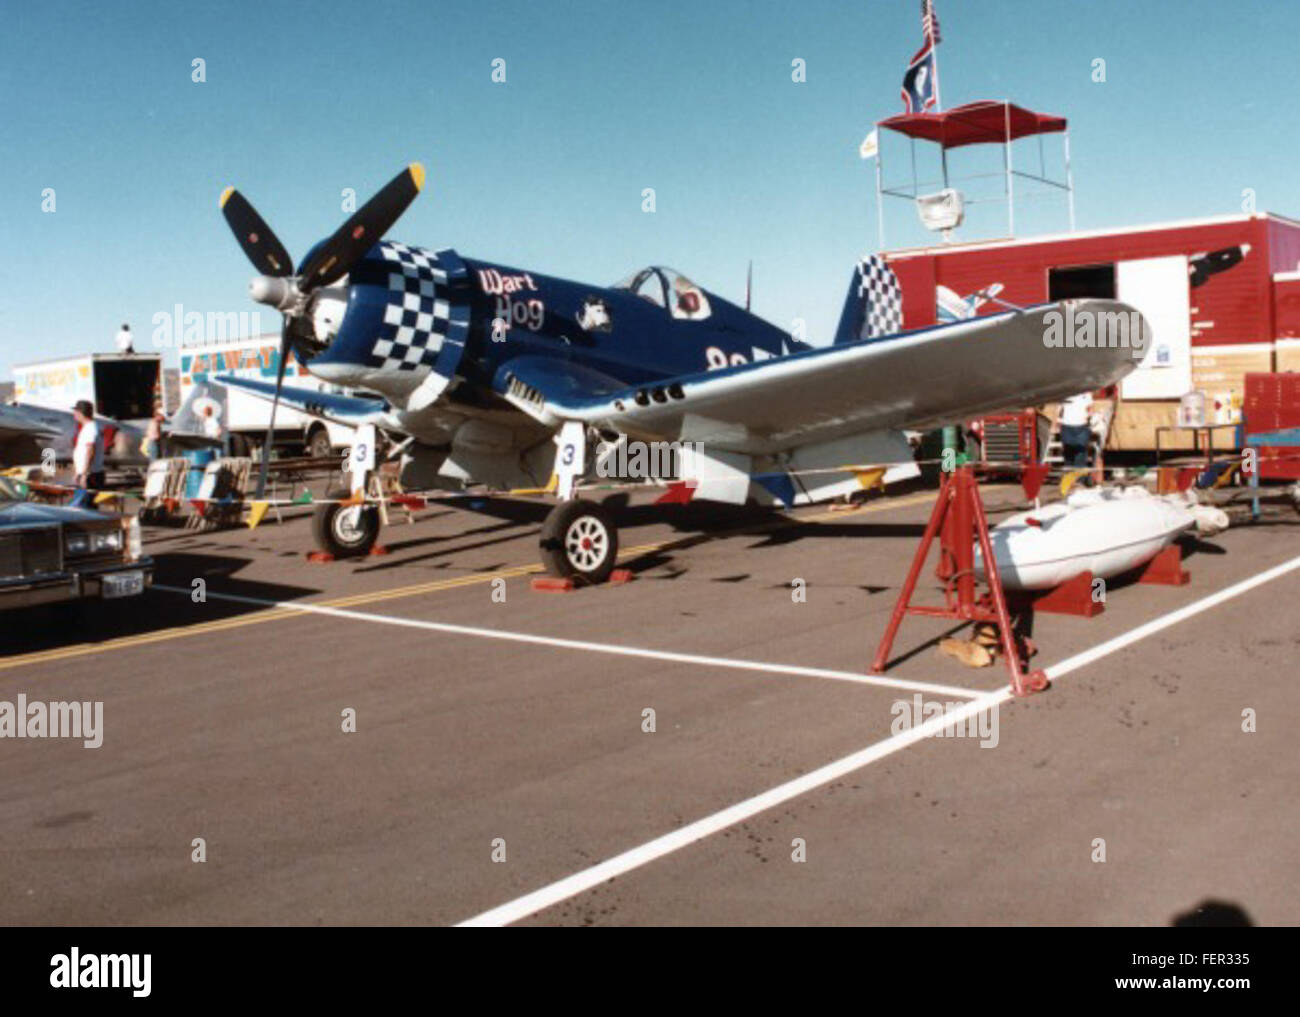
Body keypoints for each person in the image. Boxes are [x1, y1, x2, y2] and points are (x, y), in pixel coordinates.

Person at [70, 400, 105, 509]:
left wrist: (85, 474)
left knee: (80, 508)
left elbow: (90, 450)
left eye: (75, 411)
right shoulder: (88, 428)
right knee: (86, 507)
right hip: (88, 474)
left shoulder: (91, 428)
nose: (74, 414)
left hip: (91, 475)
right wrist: (77, 472)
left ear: (80, 412)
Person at [1058, 391, 1094, 470]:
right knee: (1069, 454)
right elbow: (1059, 409)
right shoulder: (1065, 392)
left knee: (1080, 453)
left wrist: (1090, 418)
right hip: (1067, 425)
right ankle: (1070, 479)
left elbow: (1090, 408)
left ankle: (1079, 480)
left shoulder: (1086, 393)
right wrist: (1055, 423)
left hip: (1081, 425)